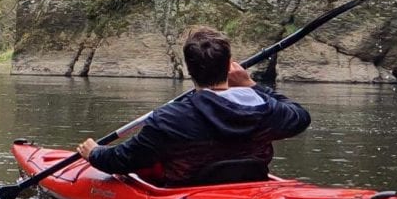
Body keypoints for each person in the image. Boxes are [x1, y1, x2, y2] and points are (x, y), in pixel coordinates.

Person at [74, 26, 309, 186]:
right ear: (229, 65)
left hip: (191, 193)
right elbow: (300, 117)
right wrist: (252, 85)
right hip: (248, 189)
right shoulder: (263, 107)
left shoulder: (168, 119)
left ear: (189, 68)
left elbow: (122, 161)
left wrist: (94, 152)